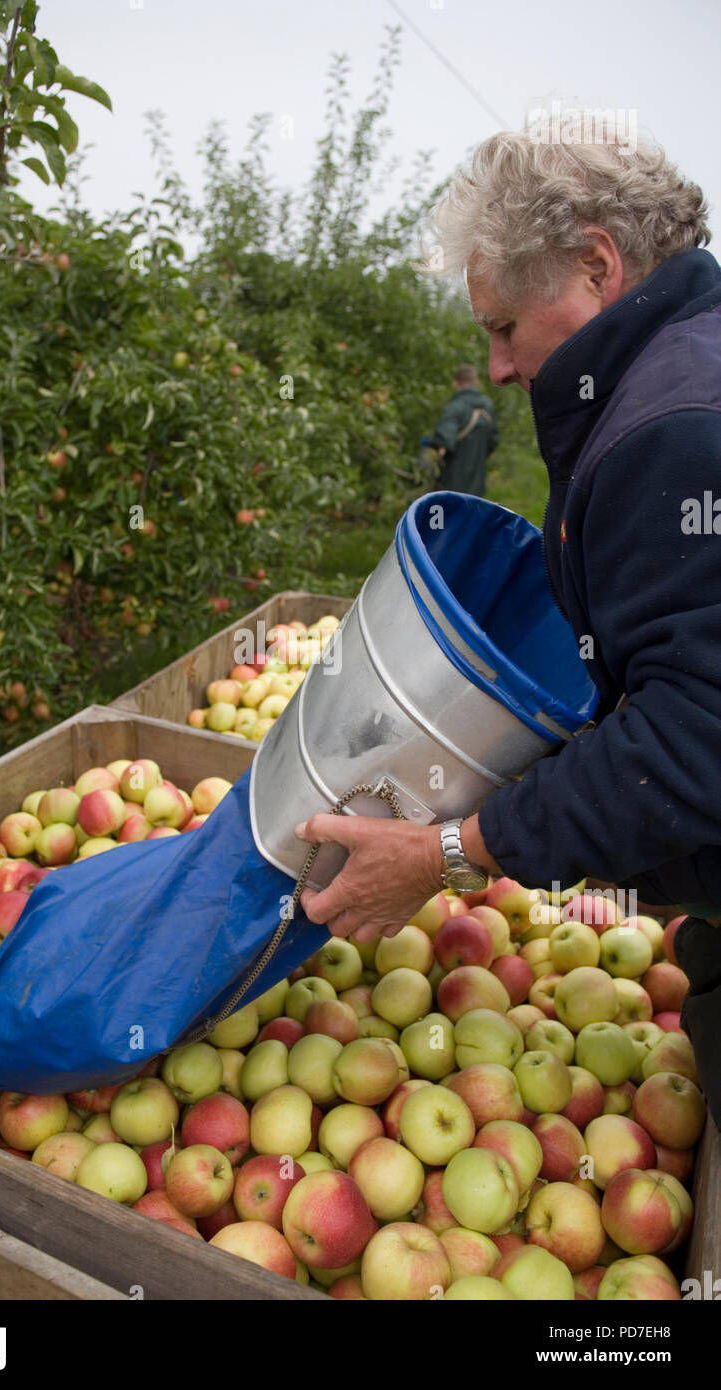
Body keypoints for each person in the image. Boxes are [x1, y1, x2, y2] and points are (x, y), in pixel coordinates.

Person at [294, 126, 721, 1130]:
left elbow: (693, 736)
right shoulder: (677, 374)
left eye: (500, 328)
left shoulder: (674, 430)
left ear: (594, 263)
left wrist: (451, 848)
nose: (492, 367)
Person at [421, 364, 499, 496]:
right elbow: (494, 441)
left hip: (452, 484)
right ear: (476, 382)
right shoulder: (488, 406)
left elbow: (445, 440)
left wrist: (427, 441)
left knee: (451, 515)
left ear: (455, 383)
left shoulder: (454, 407)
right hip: (477, 485)